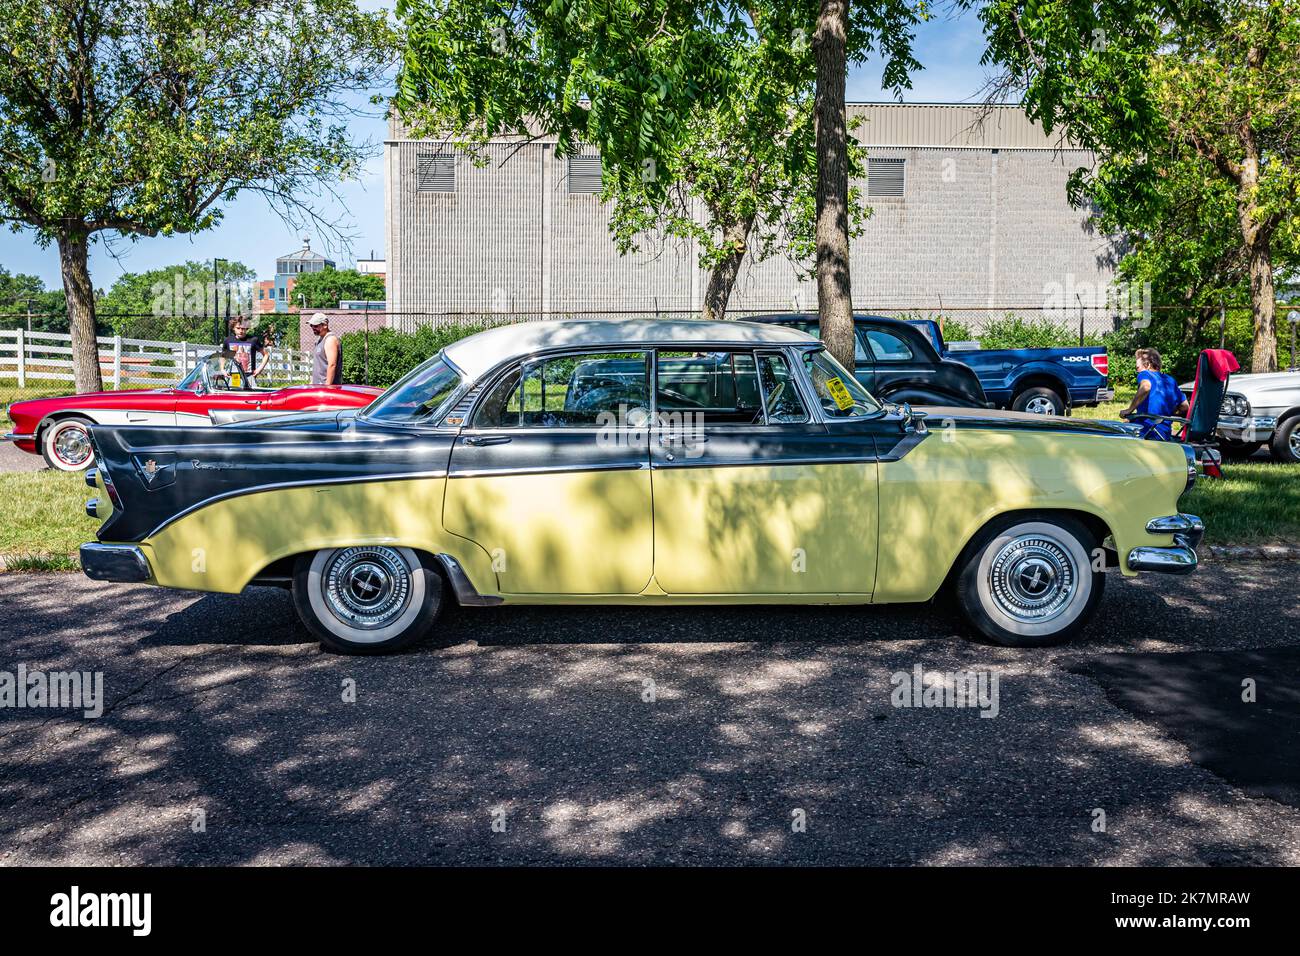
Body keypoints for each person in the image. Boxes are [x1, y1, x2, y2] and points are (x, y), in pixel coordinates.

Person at [1122, 347, 1189, 440]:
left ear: (1148, 365)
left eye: (1138, 367)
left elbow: (1146, 387)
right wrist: (1165, 413)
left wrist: (1129, 410)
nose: (1137, 371)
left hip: (1145, 432)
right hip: (1164, 435)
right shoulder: (1170, 380)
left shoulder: (1145, 374)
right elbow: (1185, 407)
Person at [221, 314, 269, 386]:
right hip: (235, 376)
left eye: (243, 328)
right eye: (238, 328)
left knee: (251, 396)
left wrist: (259, 370)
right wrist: (222, 369)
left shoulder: (253, 340)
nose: (241, 331)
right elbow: (224, 356)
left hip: (249, 376)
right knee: (236, 395)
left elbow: (266, 355)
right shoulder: (228, 340)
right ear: (233, 328)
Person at [308, 312, 343, 385]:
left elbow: (332, 364)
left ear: (325, 325)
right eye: (311, 325)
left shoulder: (330, 340)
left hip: (327, 388)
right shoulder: (319, 340)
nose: (313, 328)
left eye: (316, 325)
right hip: (318, 387)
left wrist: (327, 387)